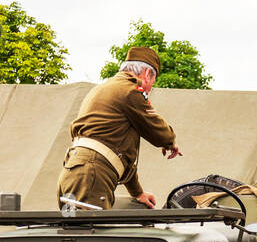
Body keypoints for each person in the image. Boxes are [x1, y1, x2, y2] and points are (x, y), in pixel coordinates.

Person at [57, 47, 182, 210]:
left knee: (77, 229)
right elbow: (158, 131)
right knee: (90, 232)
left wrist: (138, 193)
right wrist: (170, 142)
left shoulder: (103, 89)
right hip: (91, 175)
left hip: (78, 172)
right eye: (153, 81)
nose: (150, 88)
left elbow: (116, 151)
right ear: (146, 74)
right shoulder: (129, 91)